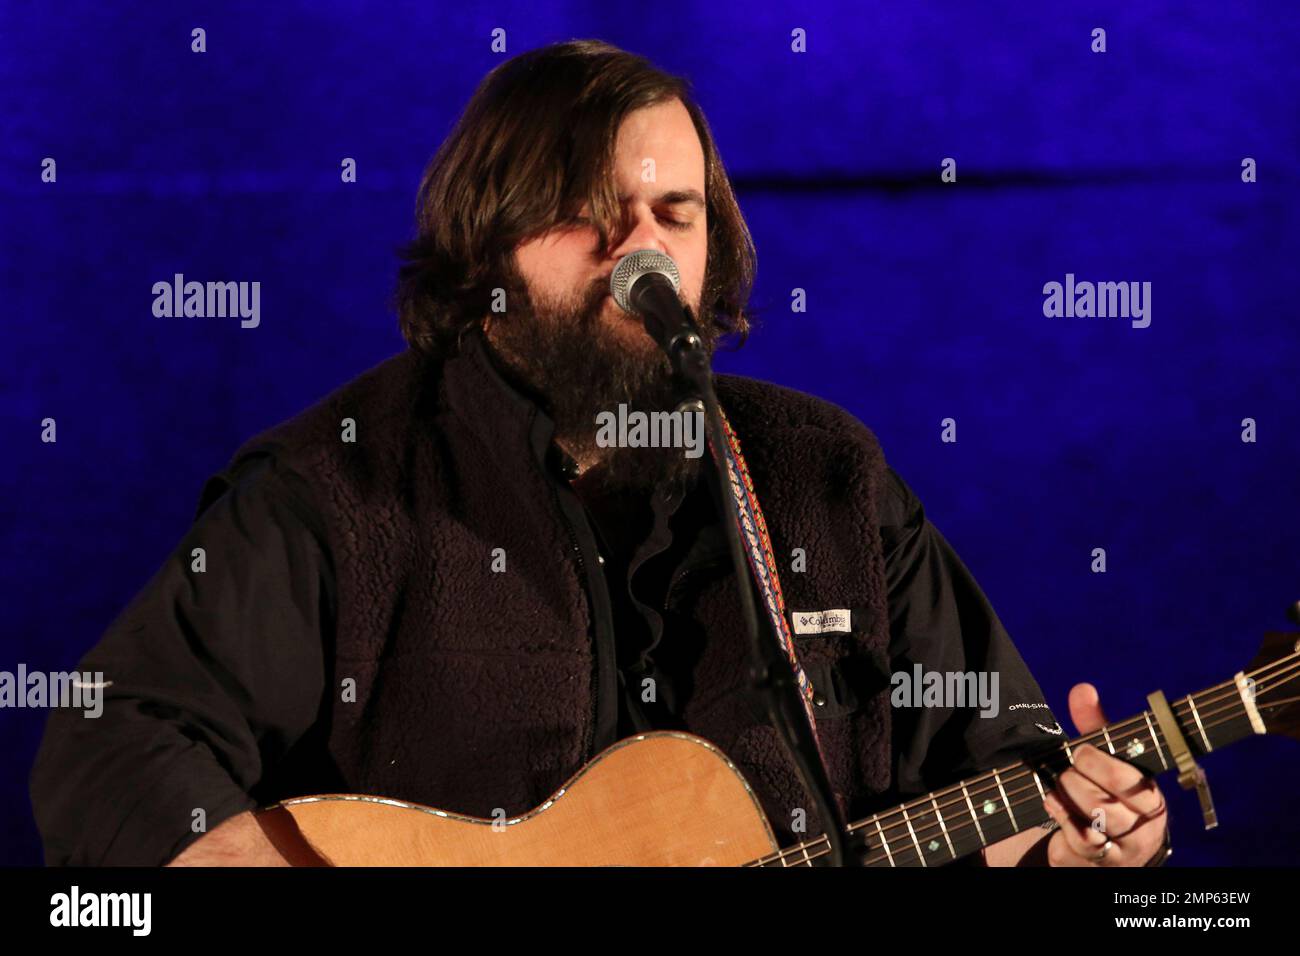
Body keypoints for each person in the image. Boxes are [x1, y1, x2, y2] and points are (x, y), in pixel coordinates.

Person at [30, 39, 1168, 868]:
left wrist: (1080, 837)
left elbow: (994, 766)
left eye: (675, 213)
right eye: (592, 213)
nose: (643, 252)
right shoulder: (342, 485)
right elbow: (114, 733)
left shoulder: (823, 474)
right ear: (490, 239)